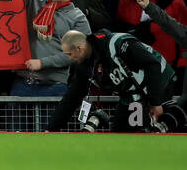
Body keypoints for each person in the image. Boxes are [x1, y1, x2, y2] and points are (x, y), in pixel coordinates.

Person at [48, 30, 179, 132]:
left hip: (158, 82)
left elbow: (152, 64)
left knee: (146, 131)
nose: (70, 59)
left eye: (69, 54)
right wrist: (51, 129)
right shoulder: (85, 66)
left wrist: (155, 102)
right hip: (132, 94)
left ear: (79, 48)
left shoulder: (118, 43)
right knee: (118, 132)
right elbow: (72, 97)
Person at [16, 0, 89, 97]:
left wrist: (42, 63)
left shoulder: (78, 18)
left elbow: (76, 52)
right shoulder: (34, 1)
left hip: (54, 87)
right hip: (23, 84)